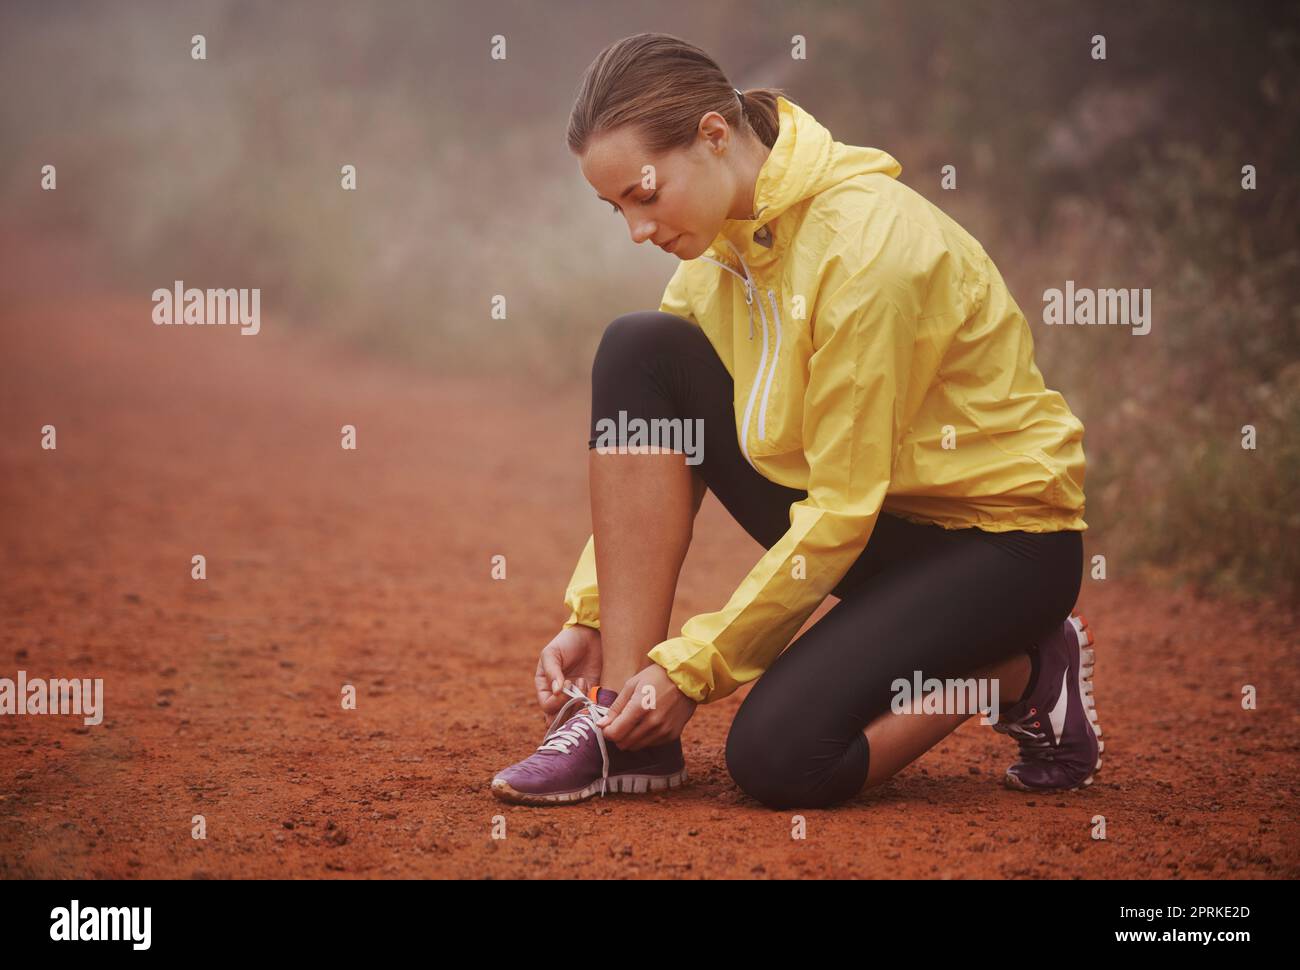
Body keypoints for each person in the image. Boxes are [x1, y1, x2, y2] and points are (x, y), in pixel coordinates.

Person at [491, 33, 1103, 810]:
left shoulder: (867, 249)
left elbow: (841, 508)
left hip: (1000, 547)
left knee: (781, 762)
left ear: (715, 135)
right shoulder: (718, 253)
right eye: (617, 209)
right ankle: (622, 724)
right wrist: (595, 617)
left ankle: (1020, 670)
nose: (636, 230)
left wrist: (692, 669)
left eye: (645, 195)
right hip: (878, 525)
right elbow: (665, 443)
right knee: (641, 347)